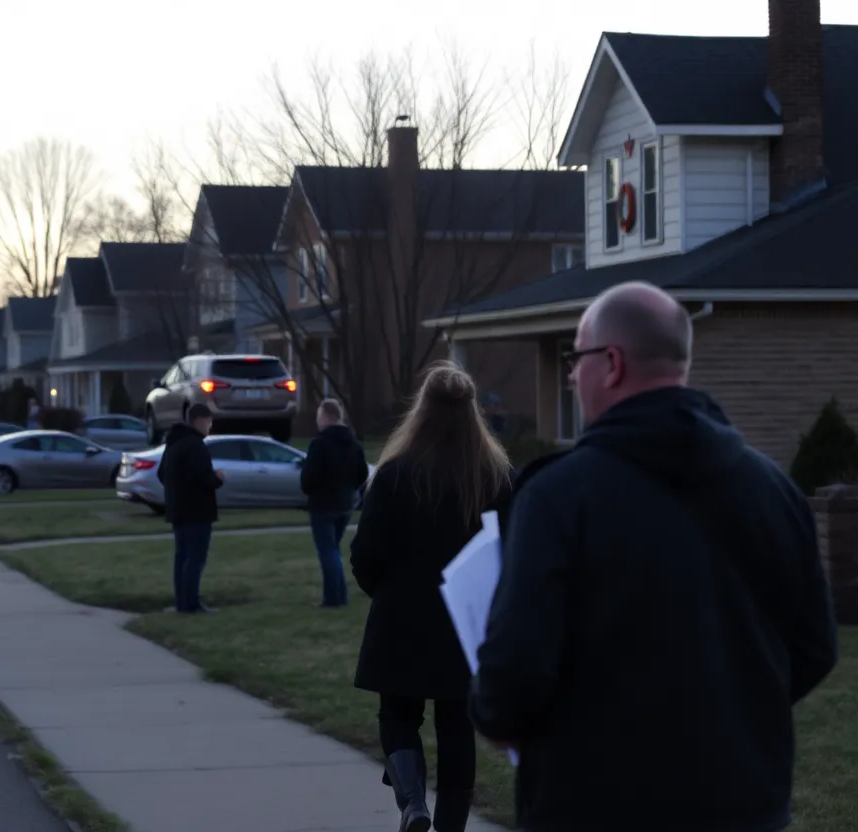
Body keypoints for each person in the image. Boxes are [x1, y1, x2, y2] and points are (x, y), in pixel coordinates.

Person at [470, 281, 839, 832]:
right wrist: (732, 712)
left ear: (612, 363)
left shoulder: (561, 495)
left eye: (578, 357)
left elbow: (516, 670)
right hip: (744, 805)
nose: (571, 375)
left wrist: (498, 714)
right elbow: (815, 646)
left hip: (592, 805)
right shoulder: (774, 490)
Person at [349, 362, 512, 832]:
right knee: (457, 727)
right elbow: (511, 551)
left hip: (401, 616)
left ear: (421, 411)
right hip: (465, 623)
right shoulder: (496, 479)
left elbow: (366, 554)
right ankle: (450, 827)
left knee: (398, 715)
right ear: (472, 413)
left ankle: (413, 802)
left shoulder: (395, 476)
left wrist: (383, 593)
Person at [301, 398, 370, 608]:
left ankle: (333, 598)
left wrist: (312, 490)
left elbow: (308, 478)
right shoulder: (354, 444)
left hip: (323, 505)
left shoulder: (320, 444)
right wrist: (349, 490)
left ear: (327, 417)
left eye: (319, 417)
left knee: (327, 551)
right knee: (333, 549)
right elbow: (363, 474)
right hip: (345, 503)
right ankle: (340, 596)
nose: (317, 421)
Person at [157, 404, 224, 613]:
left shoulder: (173, 444)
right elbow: (201, 479)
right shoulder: (196, 446)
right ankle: (191, 603)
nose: (210, 426)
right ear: (198, 421)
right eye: (209, 421)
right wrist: (217, 478)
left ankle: (181, 602)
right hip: (197, 511)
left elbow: (161, 474)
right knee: (195, 558)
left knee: (181, 557)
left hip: (178, 510)